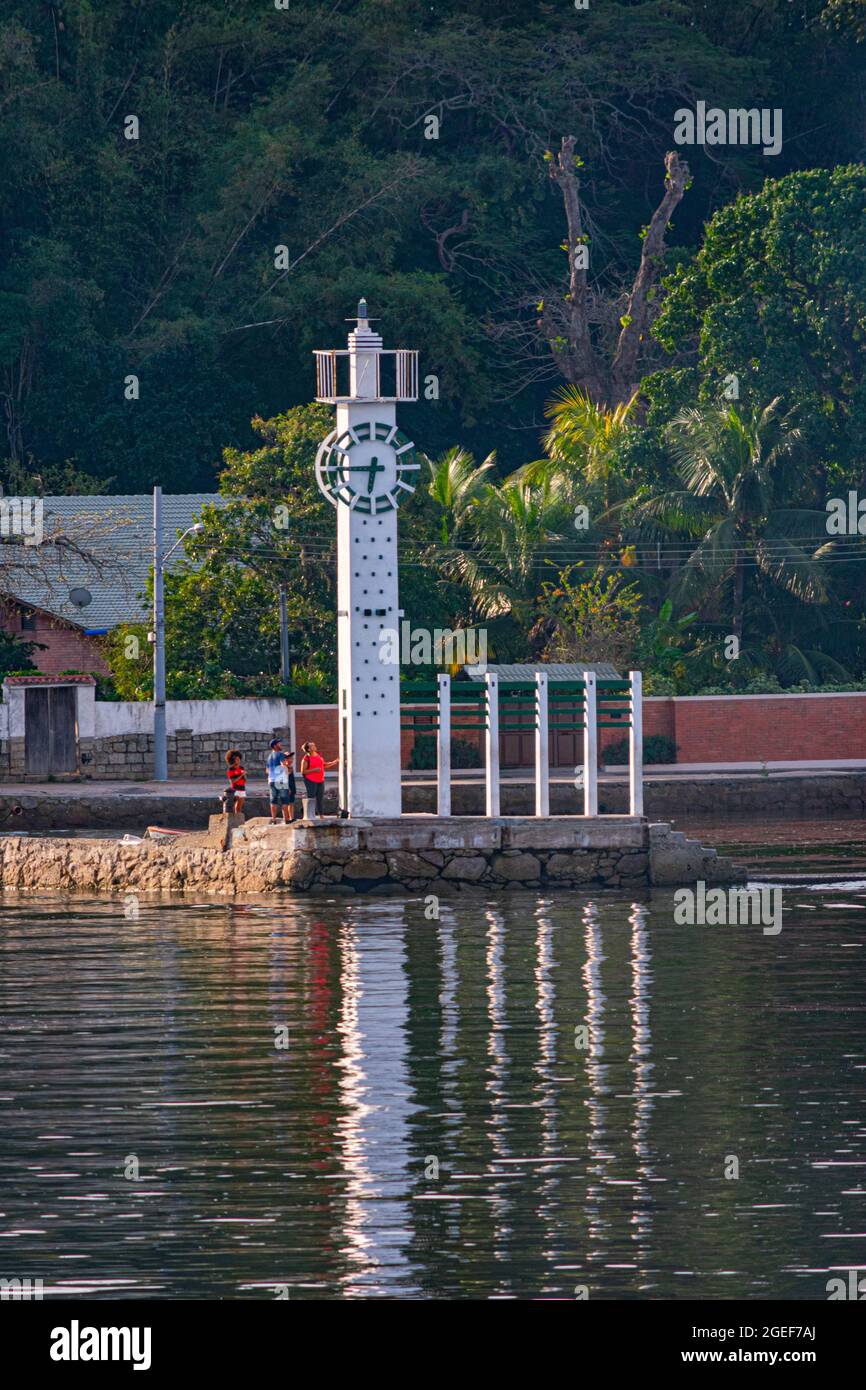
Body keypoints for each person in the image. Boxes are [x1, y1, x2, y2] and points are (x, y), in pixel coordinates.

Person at [300, 740, 338, 818]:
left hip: (320, 780)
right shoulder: (306, 758)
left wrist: (333, 762)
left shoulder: (318, 755)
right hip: (310, 780)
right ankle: (309, 814)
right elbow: (303, 771)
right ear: (309, 749)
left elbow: (323, 765)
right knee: (311, 798)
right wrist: (314, 770)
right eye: (312, 746)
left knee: (320, 798)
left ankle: (321, 815)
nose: (314, 746)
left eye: (314, 745)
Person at [266, 738, 296, 825]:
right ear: (275, 746)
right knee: (285, 801)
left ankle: (274, 819)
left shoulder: (269, 756)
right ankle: (286, 820)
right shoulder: (280, 755)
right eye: (279, 744)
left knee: (273, 801)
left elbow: (267, 770)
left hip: (271, 781)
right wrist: (289, 768)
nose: (281, 745)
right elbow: (284, 765)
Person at [224, 749, 246, 817]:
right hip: (235, 789)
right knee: (233, 807)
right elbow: (232, 781)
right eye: (236, 759)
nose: (238, 760)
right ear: (232, 760)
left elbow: (244, 779)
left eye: (239, 759)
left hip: (242, 788)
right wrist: (241, 775)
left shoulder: (242, 768)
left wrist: (244, 776)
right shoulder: (231, 769)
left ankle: (238, 820)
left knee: (239, 807)